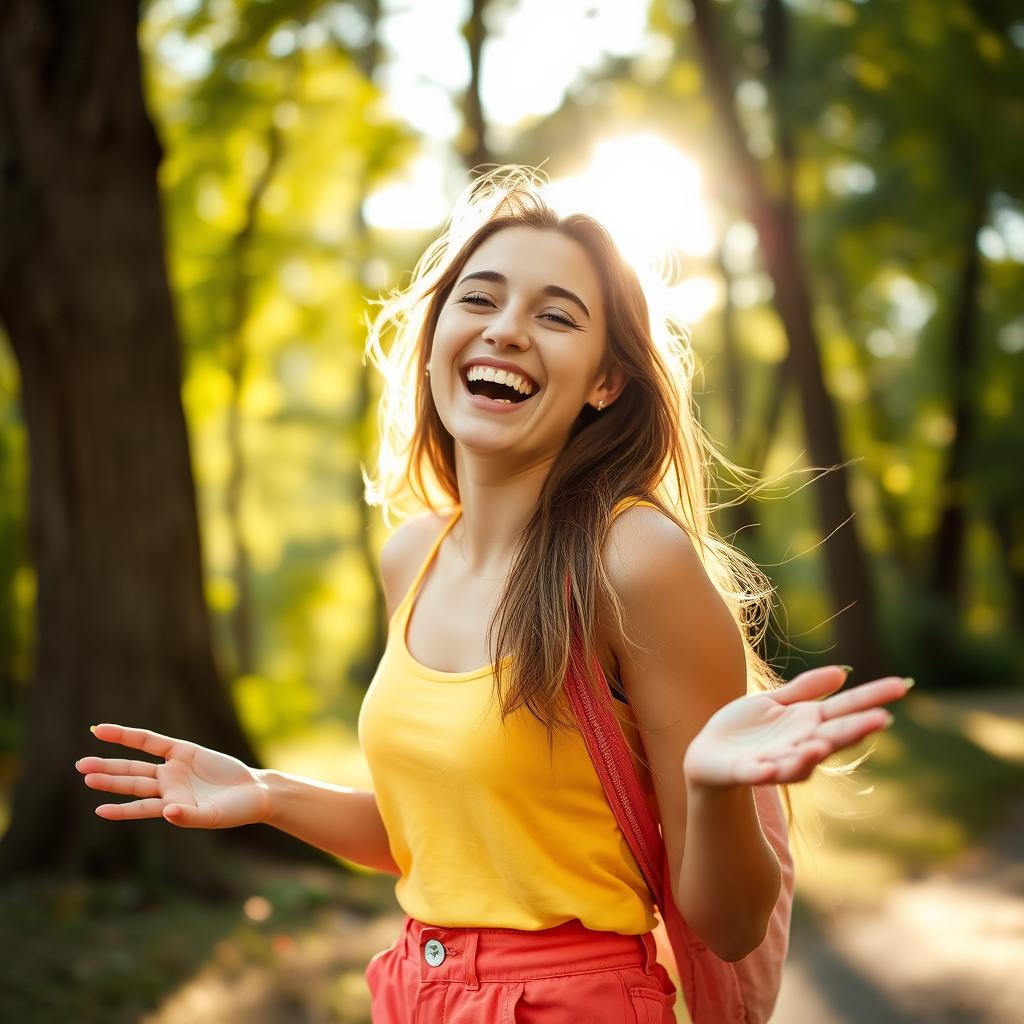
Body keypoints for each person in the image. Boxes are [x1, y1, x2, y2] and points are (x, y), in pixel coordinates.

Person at [76, 169, 911, 1022]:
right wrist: (265, 792)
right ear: (438, 338)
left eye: (556, 316)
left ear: (605, 382)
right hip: (414, 990)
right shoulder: (414, 554)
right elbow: (447, 838)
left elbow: (730, 928)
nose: (507, 330)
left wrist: (715, 791)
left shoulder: (632, 559)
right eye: (479, 299)